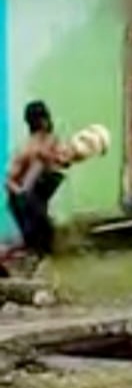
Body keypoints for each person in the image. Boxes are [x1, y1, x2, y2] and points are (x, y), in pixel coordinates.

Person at [5, 101, 73, 271]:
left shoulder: (53, 141)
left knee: (46, 238)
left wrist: (61, 159)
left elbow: (65, 162)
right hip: (21, 199)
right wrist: (21, 193)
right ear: (35, 121)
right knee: (34, 240)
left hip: (40, 195)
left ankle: (41, 261)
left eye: (46, 117)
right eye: (42, 118)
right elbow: (8, 180)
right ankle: (30, 262)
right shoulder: (26, 149)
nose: (46, 122)